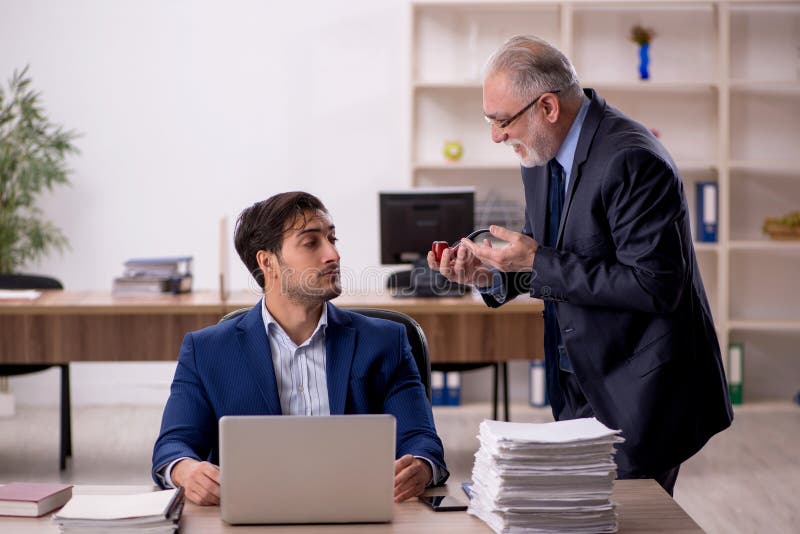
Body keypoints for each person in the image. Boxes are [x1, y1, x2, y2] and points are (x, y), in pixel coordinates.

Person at [428, 35, 732, 495]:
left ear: (547, 107)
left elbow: (656, 285)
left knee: (627, 520)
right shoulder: (539, 153)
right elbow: (555, 263)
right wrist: (491, 273)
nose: (496, 136)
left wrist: (536, 259)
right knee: (577, 515)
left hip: (643, 390)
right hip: (579, 380)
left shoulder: (632, 158)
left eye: (502, 121)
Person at [153, 191, 448, 505]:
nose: (332, 254)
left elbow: (422, 440)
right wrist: (186, 471)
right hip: (254, 516)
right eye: (311, 243)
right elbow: (173, 446)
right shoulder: (206, 350)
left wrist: (420, 466)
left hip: (357, 513)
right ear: (267, 262)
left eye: (332, 239)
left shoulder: (386, 342)